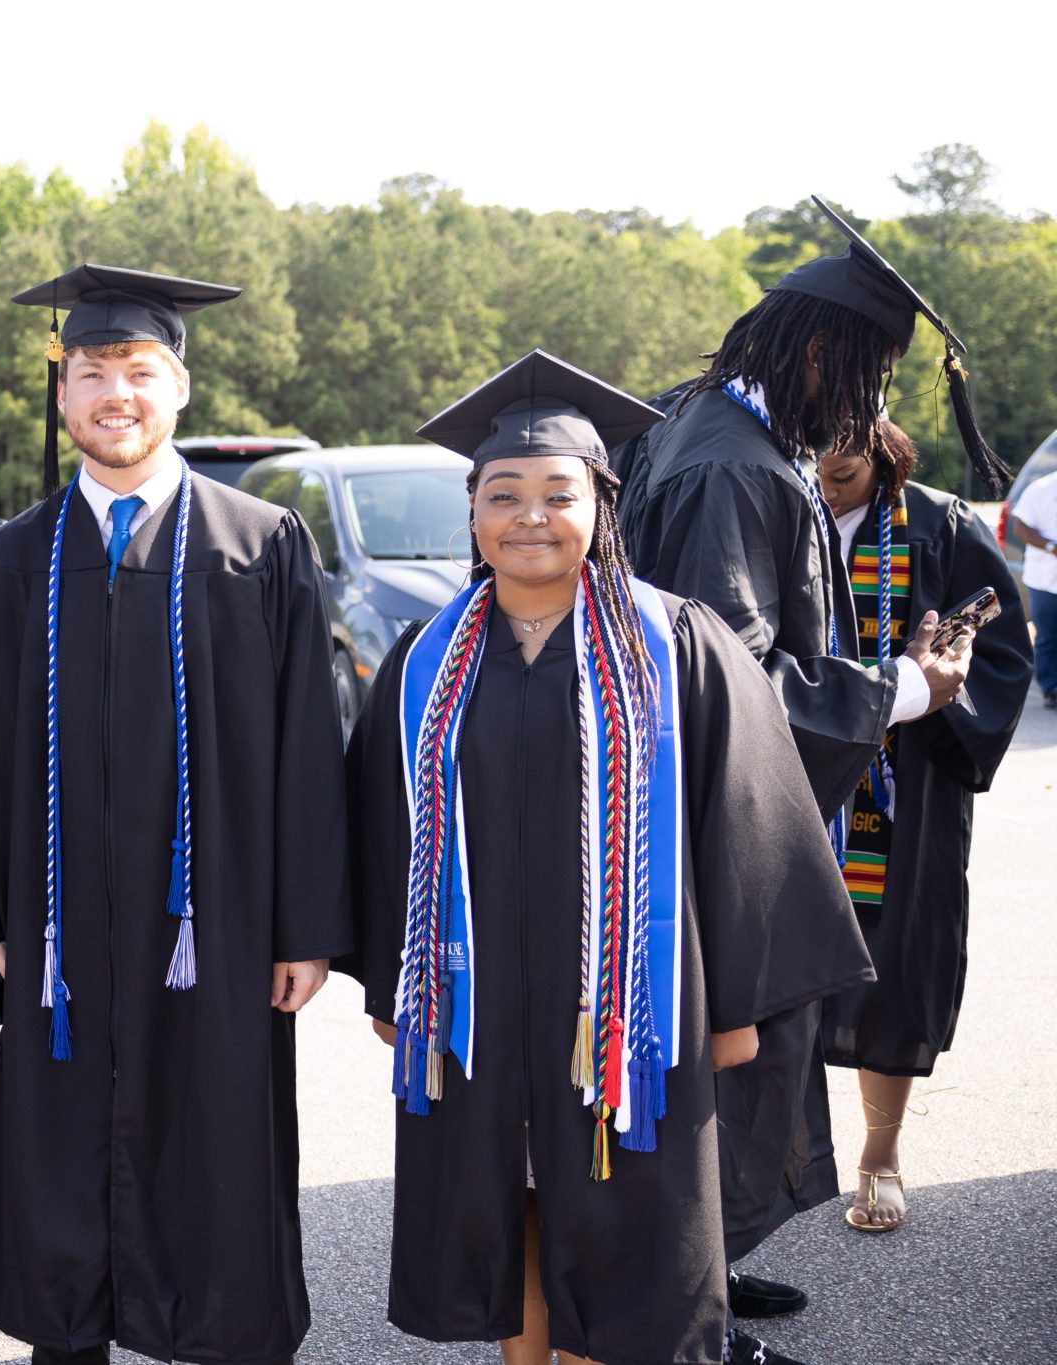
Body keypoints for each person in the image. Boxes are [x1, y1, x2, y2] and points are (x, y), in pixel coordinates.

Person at [343, 350, 871, 1365]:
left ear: (602, 505)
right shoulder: (420, 663)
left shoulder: (678, 646)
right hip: (475, 1006)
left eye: (558, 493)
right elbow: (380, 831)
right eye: (502, 494)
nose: (528, 516)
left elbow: (750, 825)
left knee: (624, 1235)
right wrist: (394, 986)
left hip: (635, 1012)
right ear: (470, 513)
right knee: (508, 1207)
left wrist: (731, 1011)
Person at [0, 264, 352, 1365]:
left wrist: (305, 929)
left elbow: (308, 743)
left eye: (136, 371)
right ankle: (66, 1343)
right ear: (61, 394)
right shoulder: (13, 557)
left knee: (215, 1147)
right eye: (89, 372)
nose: (112, 392)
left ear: (178, 385)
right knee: (60, 1145)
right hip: (56, 927)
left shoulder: (259, 543)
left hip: (209, 929)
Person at [615, 198, 993, 1362]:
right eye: (870, 377)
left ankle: (704, 1277)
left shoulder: (704, 426)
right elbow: (731, 683)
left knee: (723, 1066)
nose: (871, 410)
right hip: (711, 832)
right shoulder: (733, 471)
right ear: (820, 351)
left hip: (706, 819)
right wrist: (902, 692)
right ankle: (678, 1319)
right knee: (720, 1065)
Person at [815, 419, 1032, 1231]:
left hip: (903, 786)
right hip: (789, 772)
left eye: (843, 472)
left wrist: (939, 685)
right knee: (760, 968)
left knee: (896, 964)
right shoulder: (767, 509)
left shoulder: (939, 528)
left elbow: (1003, 651)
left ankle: (880, 1152)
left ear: (880, 452)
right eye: (816, 466)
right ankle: (760, 1168)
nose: (827, 483)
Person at [1011, 469, 1057, 707]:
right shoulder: (1042, 488)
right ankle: (1051, 690)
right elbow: (1021, 528)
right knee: (1048, 636)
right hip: (1044, 580)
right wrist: (1051, 546)